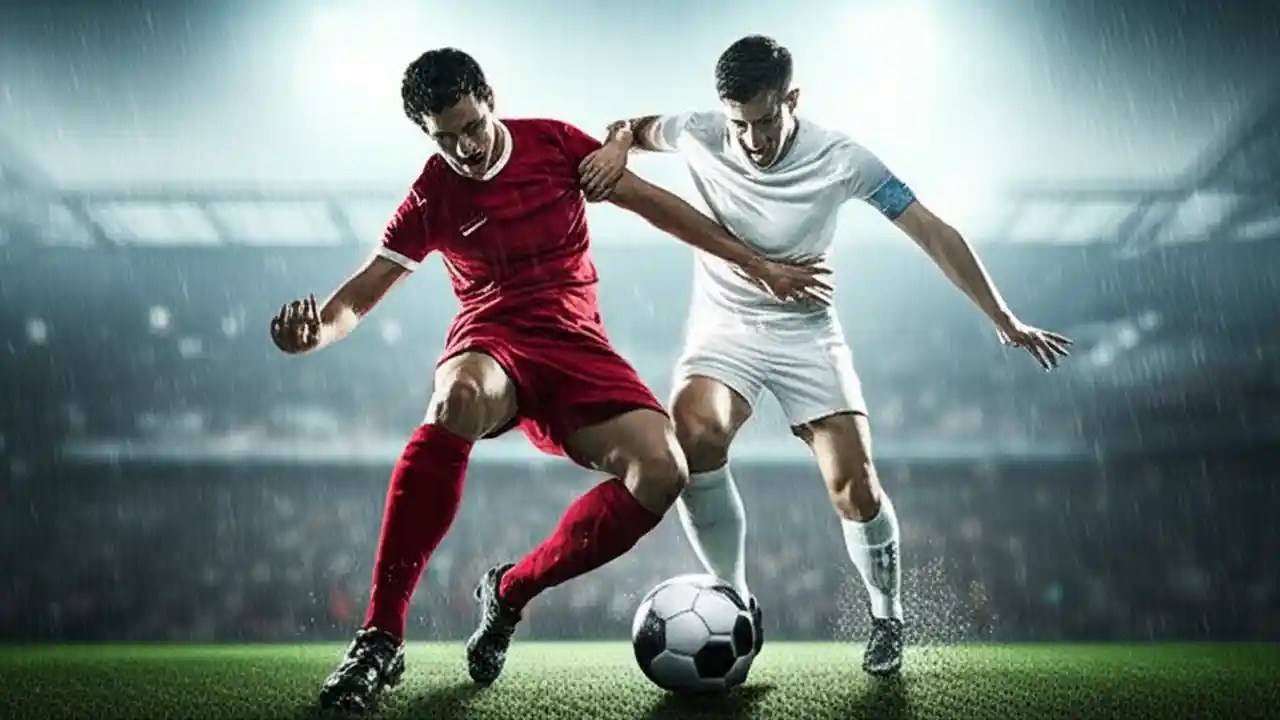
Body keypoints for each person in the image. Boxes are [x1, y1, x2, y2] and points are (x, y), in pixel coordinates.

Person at [268, 47, 828, 713]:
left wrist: (756, 264)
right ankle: (380, 638)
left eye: (471, 126)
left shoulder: (555, 145)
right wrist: (316, 332)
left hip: (577, 345)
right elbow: (362, 293)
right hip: (493, 339)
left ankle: (510, 594)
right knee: (456, 398)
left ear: (490, 100)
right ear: (425, 133)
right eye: (445, 138)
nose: (465, 148)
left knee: (663, 470)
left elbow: (660, 208)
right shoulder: (431, 196)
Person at [579, 34, 1072, 676]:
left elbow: (931, 229)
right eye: (738, 124)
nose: (751, 139)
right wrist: (619, 144)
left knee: (854, 489)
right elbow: (631, 127)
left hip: (807, 333)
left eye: (763, 121)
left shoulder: (843, 159)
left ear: (793, 99)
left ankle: (887, 617)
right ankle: (736, 596)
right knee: (693, 434)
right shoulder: (699, 131)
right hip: (726, 327)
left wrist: (1002, 317)